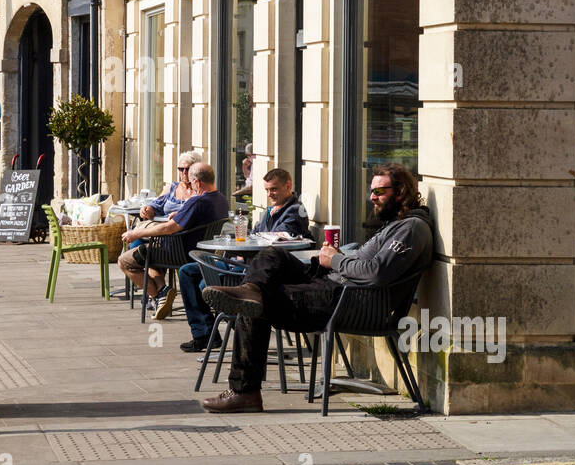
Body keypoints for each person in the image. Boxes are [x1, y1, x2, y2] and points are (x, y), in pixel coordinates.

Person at [198, 164, 435, 412]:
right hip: (335, 287)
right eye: (372, 191)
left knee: (256, 305)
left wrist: (334, 259)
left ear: (401, 192)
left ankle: (244, 392)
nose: (372, 197)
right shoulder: (396, 224)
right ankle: (251, 288)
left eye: (380, 191)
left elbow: (376, 273)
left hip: (349, 302)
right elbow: (367, 266)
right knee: (272, 255)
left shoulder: (411, 228)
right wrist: (334, 258)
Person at [177, 168, 312, 351]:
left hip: (261, 273)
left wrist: (250, 241)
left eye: (274, 189)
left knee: (205, 284)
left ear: (288, 186)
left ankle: (237, 325)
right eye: (266, 190)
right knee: (187, 271)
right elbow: (255, 233)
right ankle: (204, 334)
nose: (269, 194)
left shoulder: (296, 211)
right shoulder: (269, 211)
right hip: (242, 260)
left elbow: (277, 241)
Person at [119, 161, 229, 316]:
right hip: (201, 251)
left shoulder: (197, 201)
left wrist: (136, 234)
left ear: (197, 182)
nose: (192, 186)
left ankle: (159, 295)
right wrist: (179, 215)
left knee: (125, 261)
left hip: (177, 252)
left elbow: (169, 228)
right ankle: (161, 290)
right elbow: (190, 219)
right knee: (146, 252)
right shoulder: (221, 199)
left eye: (192, 182)